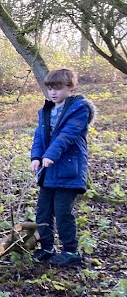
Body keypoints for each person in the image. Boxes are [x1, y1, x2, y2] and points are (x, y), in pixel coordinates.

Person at [29, 68, 95, 267]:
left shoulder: (79, 109)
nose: (53, 92)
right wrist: (36, 157)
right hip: (48, 171)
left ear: (70, 88)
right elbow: (39, 137)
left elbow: (68, 134)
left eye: (58, 88)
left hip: (68, 170)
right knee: (43, 210)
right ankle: (47, 247)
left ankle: (70, 251)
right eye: (50, 88)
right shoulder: (46, 111)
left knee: (62, 212)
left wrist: (51, 155)